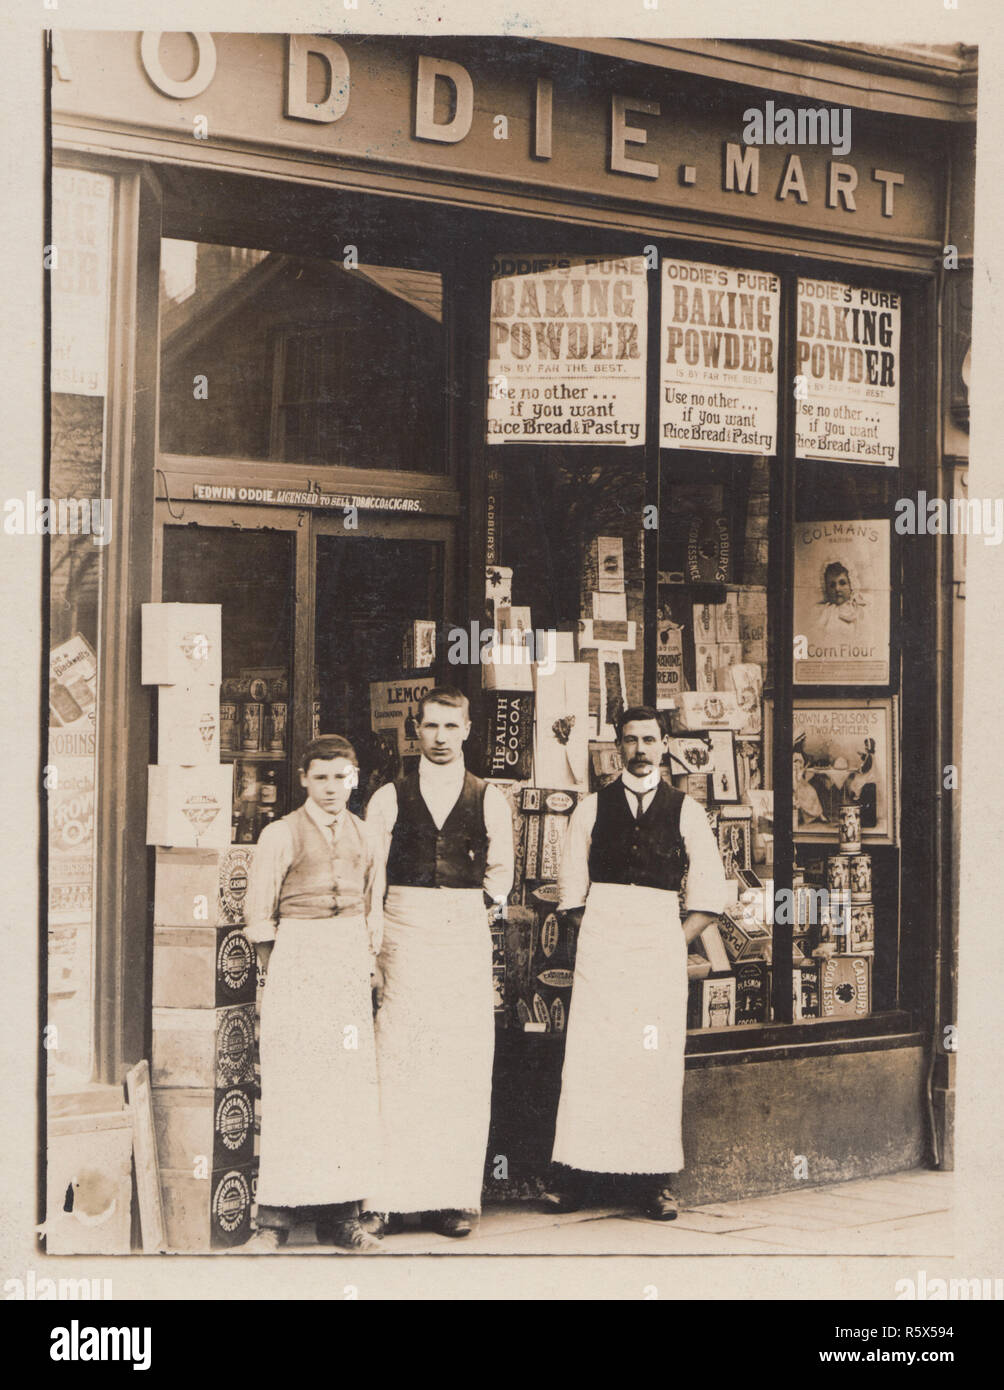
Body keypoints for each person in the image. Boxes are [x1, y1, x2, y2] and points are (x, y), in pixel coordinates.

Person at [543, 706, 728, 1220]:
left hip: (658, 944)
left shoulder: (686, 810)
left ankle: (654, 1182)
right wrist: (603, 938)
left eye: (649, 739)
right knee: (592, 1058)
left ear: (664, 744)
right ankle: (577, 1177)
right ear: (617, 746)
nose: (640, 750)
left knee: (653, 1059)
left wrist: (673, 939)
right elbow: (572, 892)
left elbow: (710, 893)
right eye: (631, 740)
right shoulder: (591, 808)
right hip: (603, 945)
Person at [363, 686, 514, 1238]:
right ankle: (384, 1198)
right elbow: (371, 880)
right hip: (402, 934)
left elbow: (500, 876)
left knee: (457, 1062)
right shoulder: (387, 798)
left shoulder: (488, 797)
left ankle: (453, 1199)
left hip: (461, 938)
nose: (441, 738)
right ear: (415, 729)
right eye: (431, 727)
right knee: (398, 1059)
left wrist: (457, 911)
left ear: (468, 730)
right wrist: (377, 948)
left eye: (452, 727)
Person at [243, 736, 385, 1252]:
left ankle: (342, 1218)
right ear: (303, 779)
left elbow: (373, 905)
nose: (331, 788)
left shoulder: (368, 837)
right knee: (295, 1087)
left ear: (355, 778)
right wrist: (274, 973)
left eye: (341, 777)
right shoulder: (279, 834)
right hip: (298, 954)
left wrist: (367, 964)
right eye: (321, 777)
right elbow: (260, 913)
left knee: (345, 1090)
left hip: (346, 956)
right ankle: (274, 1222)